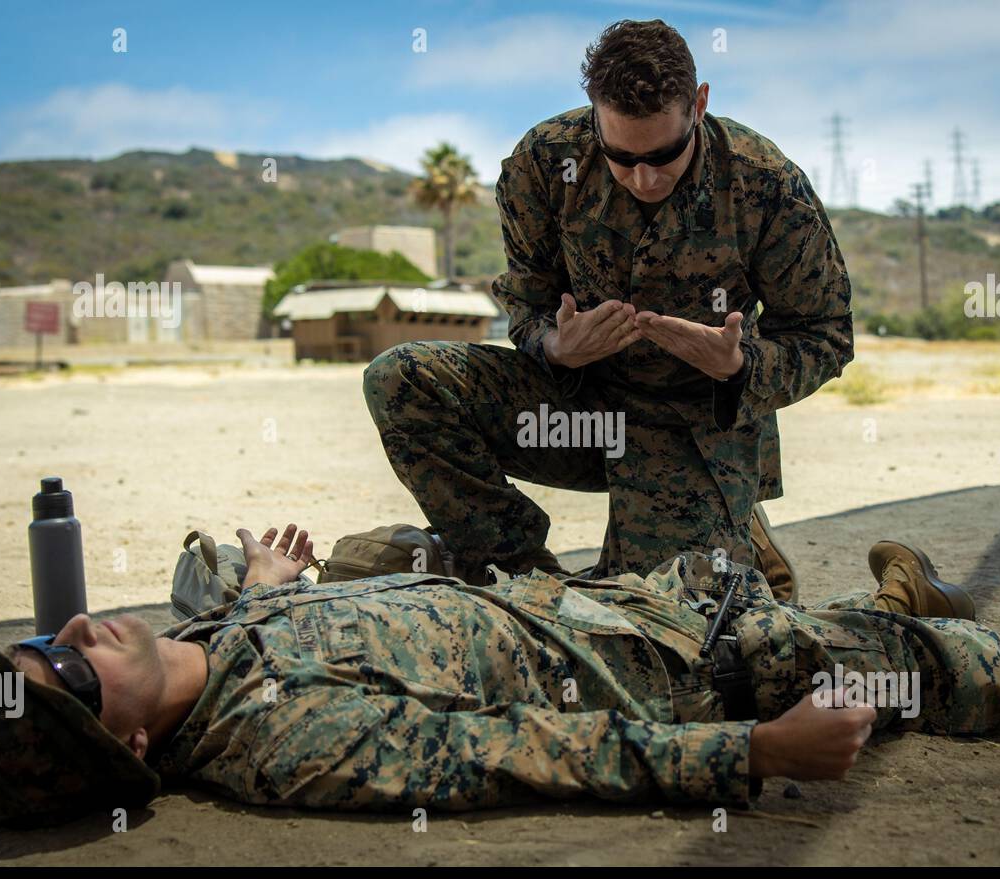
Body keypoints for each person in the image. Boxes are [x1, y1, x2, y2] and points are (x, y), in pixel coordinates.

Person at [0, 522, 1000, 827]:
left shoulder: (218, 625)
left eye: (43, 640)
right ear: (122, 750)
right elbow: (533, 756)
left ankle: (870, 595)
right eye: (68, 672)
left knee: (360, 551)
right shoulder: (285, 743)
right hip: (700, 670)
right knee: (967, 677)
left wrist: (275, 591)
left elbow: (222, 598)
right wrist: (757, 754)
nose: (75, 639)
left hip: (631, 594)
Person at [363, 18, 851, 600]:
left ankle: (727, 515)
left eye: (664, 154)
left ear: (699, 104)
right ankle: (514, 568)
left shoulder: (766, 185)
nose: (643, 178)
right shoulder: (544, 163)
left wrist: (740, 366)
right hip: (577, 410)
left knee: (664, 616)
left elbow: (825, 334)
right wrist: (554, 345)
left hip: (693, 424)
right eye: (620, 156)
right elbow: (527, 300)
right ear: (593, 112)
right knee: (401, 378)